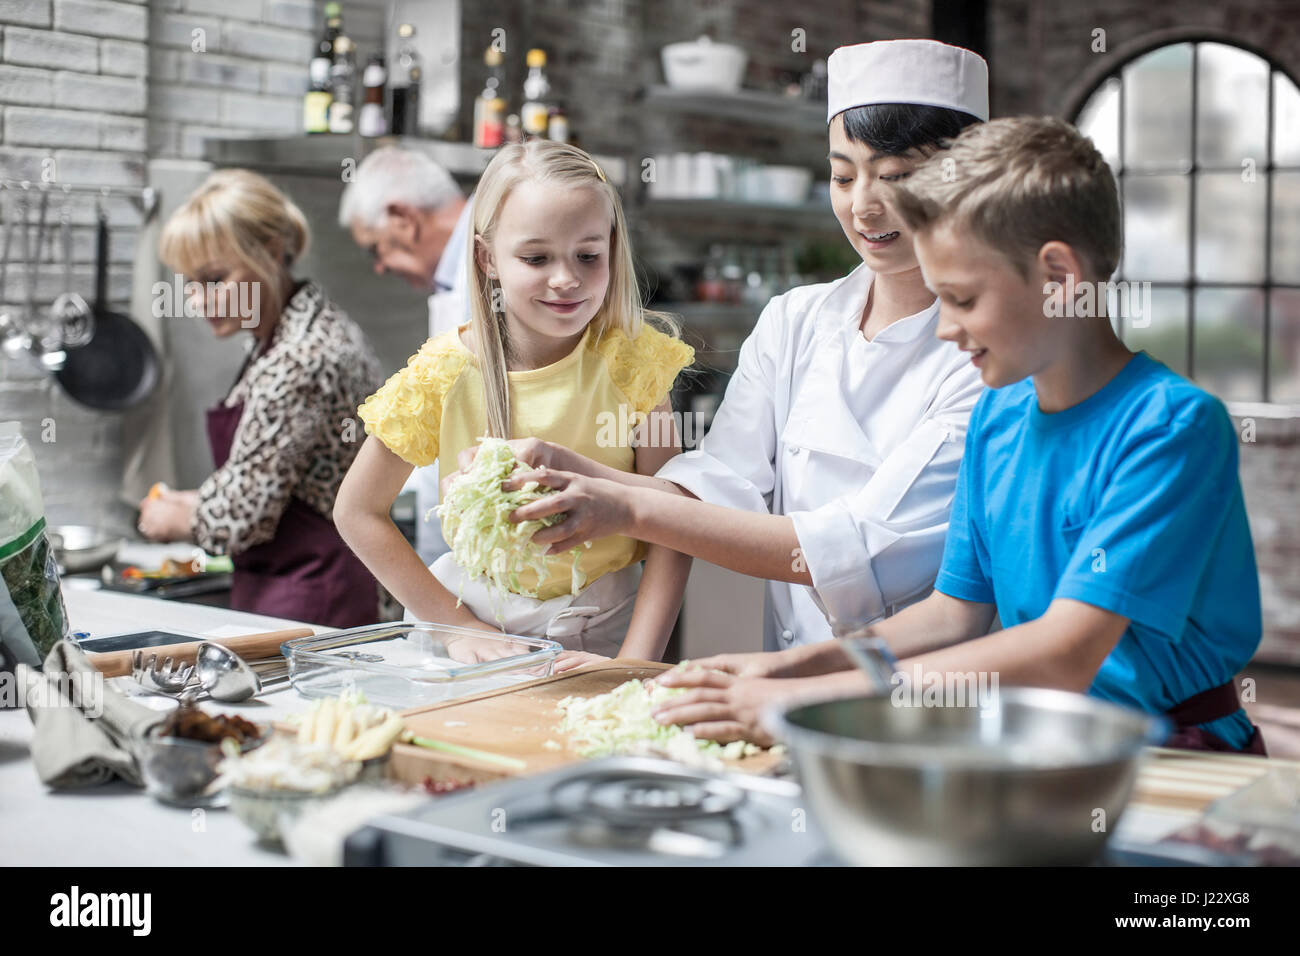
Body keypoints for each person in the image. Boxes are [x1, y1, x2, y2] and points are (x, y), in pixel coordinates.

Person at [650, 116, 1267, 755]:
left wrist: (805, 700)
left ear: (1059, 278)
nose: (944, 329)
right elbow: (951, 616)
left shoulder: (1170, 427)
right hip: (1040, 747)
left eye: (964, 299)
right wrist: (794, 667)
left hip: (1174, 755)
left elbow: (1065, 652)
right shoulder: (998, 418)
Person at [471, 39, 988, 653]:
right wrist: (574, 470)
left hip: (936, 690)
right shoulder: (795, 320)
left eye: (896, 177)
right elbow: (719, 485)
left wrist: (624, 508)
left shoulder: (985, 351)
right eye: (843, 175)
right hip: (794, 673)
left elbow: (859, 546)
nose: (863, 205)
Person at [335, 140, 695, 663]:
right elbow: (357, 511)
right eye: (536, 257)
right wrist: (458, 630)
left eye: (588, 255)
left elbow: (673, 515)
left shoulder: (637, 365)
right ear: (487, 259)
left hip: (604, 628)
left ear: (612, 250)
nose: (566, 278)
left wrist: (635, 662)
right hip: (475, 627)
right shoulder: (442, 372)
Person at [139, 169, 383, 628]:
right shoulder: (290, 332)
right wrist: (196, 500)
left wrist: (174, 518)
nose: (197, 300)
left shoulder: (302, 357)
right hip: (285, 583)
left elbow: (242, 517)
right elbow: (271, 476)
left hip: (314, 593)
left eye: (213, 279)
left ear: (271, 253)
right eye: (189, 283)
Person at [339, 146, 473, 567]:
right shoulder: (453, 278)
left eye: (375, 249)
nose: (379, 267)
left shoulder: (485, 262)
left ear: (403, 218)